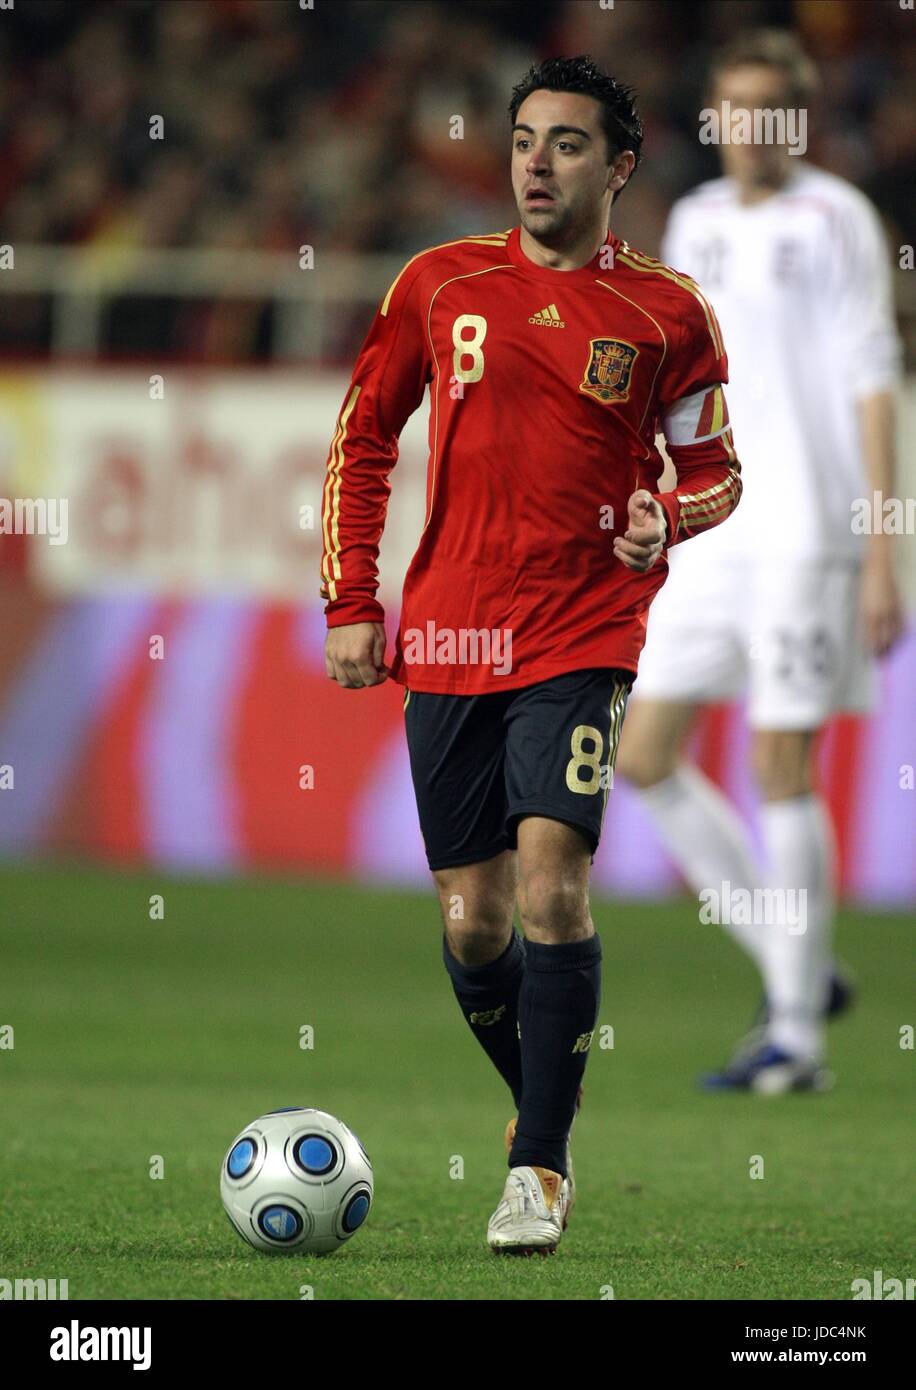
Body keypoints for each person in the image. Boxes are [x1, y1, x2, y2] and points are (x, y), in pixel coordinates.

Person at [321, 55, 742, 1253]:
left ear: (617, 167)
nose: (535, 163)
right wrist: (353, 599)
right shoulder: (436, 284)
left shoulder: (667, 315)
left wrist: (675, 515)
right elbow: (362, 439)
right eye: (521, 140)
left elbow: (717, 470)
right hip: (449, 633)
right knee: (473, 922)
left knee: (555, 880)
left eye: (565, 143)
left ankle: (540, 1169)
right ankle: (539, 1109)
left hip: (581, 629)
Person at [617, 30, 904, 1094]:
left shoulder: (837, 220)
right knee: (643, 754)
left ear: (799, 120)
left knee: (780, 764)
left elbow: (875, 380)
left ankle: (796, 1040)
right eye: (731, 109)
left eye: (769, 110)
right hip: (713, 528)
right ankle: (800, 967)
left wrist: (884, 546)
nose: (748, 130)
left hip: (808, 530)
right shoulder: (693, 222)